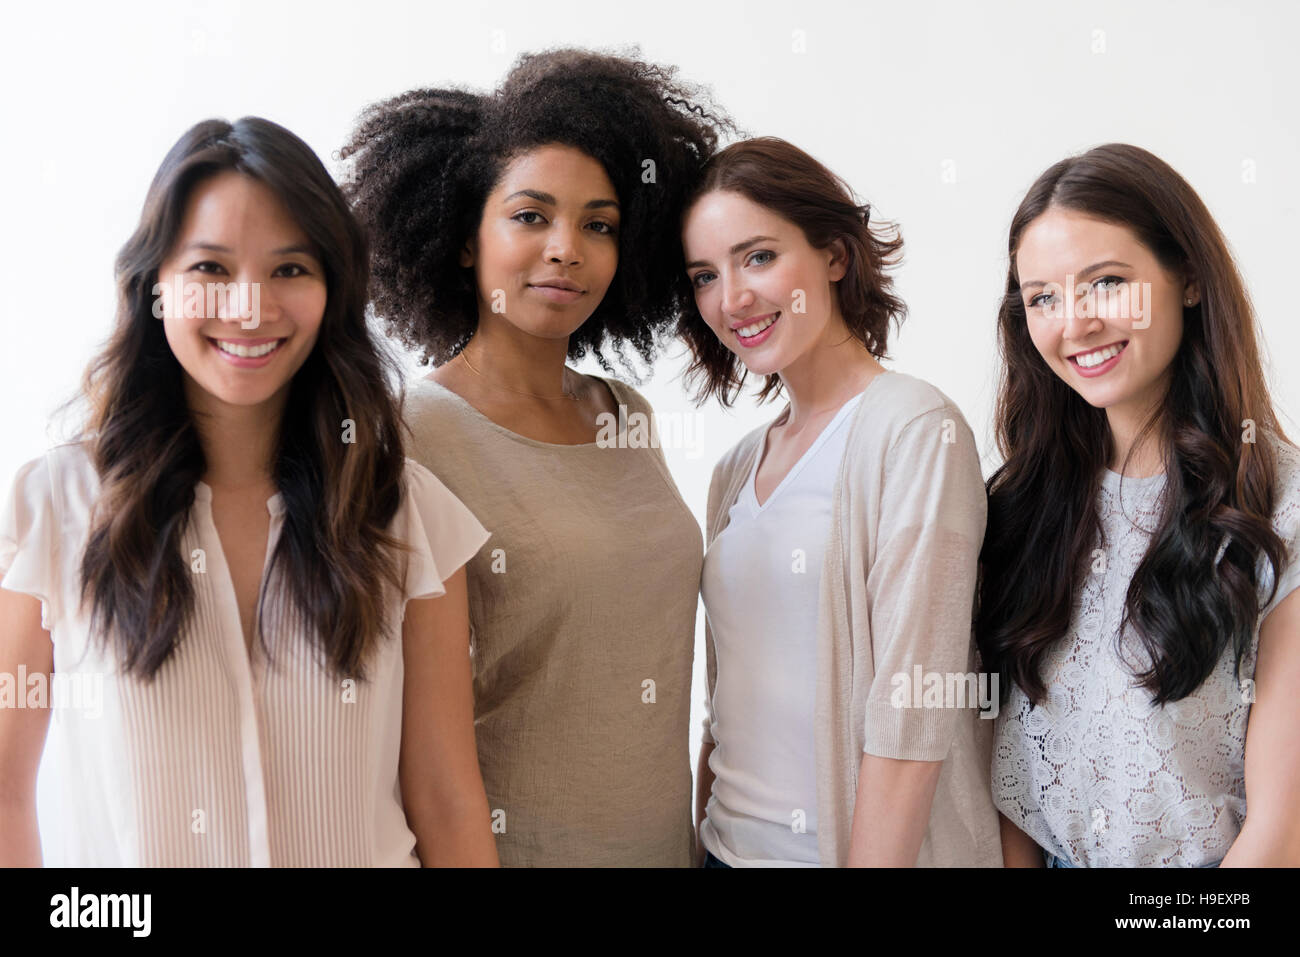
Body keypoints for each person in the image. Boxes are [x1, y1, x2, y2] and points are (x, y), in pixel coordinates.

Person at [0, 117, 497, 867]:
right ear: (155, 284)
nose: (249, 308)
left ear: (332, 290)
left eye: (290, 269)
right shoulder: (52, 507)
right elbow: (9, 792)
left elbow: (448, 800)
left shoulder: (404, 511)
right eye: (211, 267)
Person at [341, 49, 728, 866]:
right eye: (530, 216)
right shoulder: (411, 434)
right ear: (464, 241)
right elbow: (404, 734)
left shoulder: (626, 415)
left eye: (599, 224)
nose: (566, 248)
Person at [680, 137, 1002, 867]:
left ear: (834, 255)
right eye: (705, 275)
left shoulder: (915, 428)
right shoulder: (735, 467)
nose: (732, 299)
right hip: (725, 850)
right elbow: (725, 699)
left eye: (758, 257)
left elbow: (912, 712)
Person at [978, 143, 1300, 867]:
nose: (1075, 324)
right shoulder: (1020, 502)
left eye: (1107, 282)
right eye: (1043, 298)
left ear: (1188, 278)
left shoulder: (1281, 508)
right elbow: (1009, 785)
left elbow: (1282, 836)